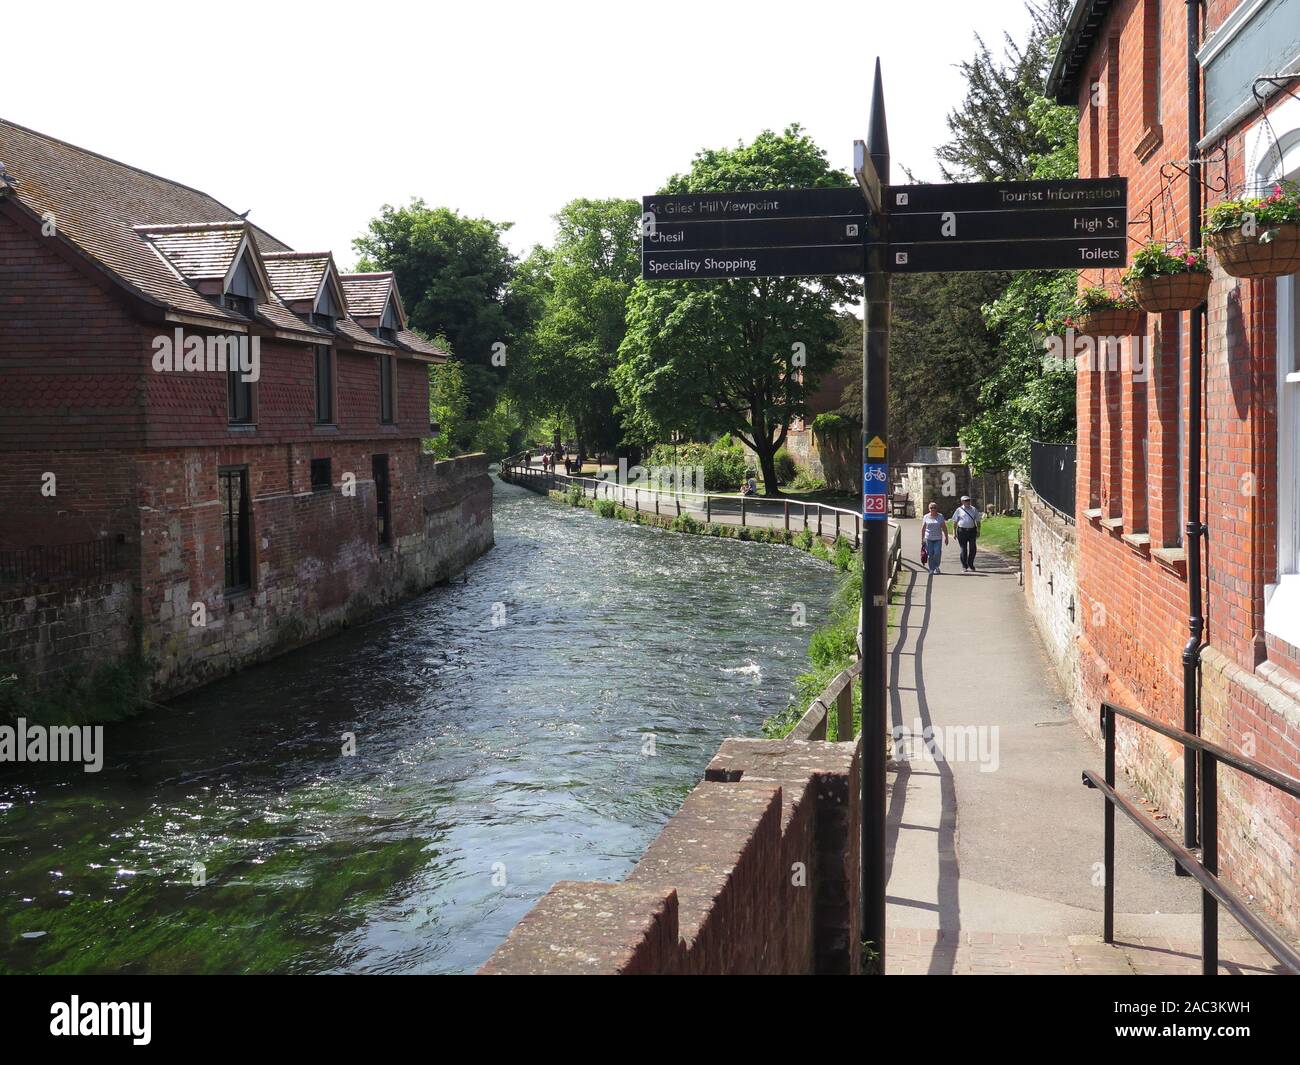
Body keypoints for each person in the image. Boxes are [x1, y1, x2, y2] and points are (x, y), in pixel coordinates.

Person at [951, 494, 983, 572]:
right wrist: (954, 532)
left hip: (972, 531)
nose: (968, 502)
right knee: (963, 549)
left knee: (973, 548)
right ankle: (964, 566)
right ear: (962, 502)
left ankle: (971, 564)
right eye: (966, 501)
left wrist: (978, 530)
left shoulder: (974, 509)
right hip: (962, 531)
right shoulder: (959, 510)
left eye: (969, 500)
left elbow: (978, 521)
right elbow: (955, 522)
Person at [921, 501, 948, 575]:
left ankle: (937, 566)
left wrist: (946, 537)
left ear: (937, 509)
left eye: (934, 508)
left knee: (937, 553)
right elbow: (923, 528)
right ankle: (931, 569)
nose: (933, 509)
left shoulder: (940, 516)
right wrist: (922, 539)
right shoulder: (926, 516)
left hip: (938, 538)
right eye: (931, 508)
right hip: (928, 538)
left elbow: (944, 527)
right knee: (930, 554)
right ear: (929, 509)